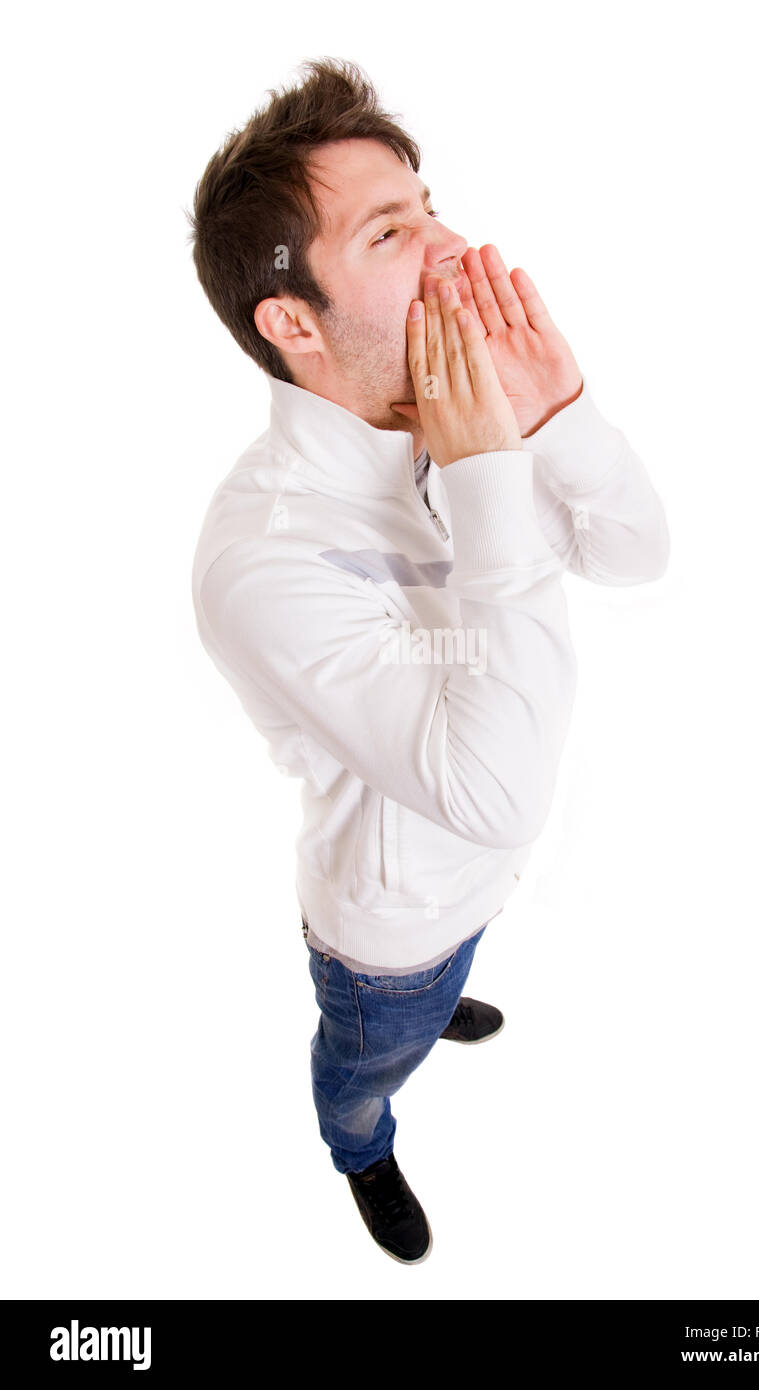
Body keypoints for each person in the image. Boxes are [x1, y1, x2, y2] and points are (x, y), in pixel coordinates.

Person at [187, 58, 670, 1264]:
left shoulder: (448, 422)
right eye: (392, 231)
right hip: (386, 938)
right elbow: (493, 786)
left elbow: (631, 555)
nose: (456, 250)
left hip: (480, 891)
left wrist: (557, 410)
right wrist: (490, 477)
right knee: (367, 1055)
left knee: (461, 952)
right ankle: (357, 1143)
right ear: (293, 321)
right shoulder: (266, 558)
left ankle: (448, 996)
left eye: (430, 206)